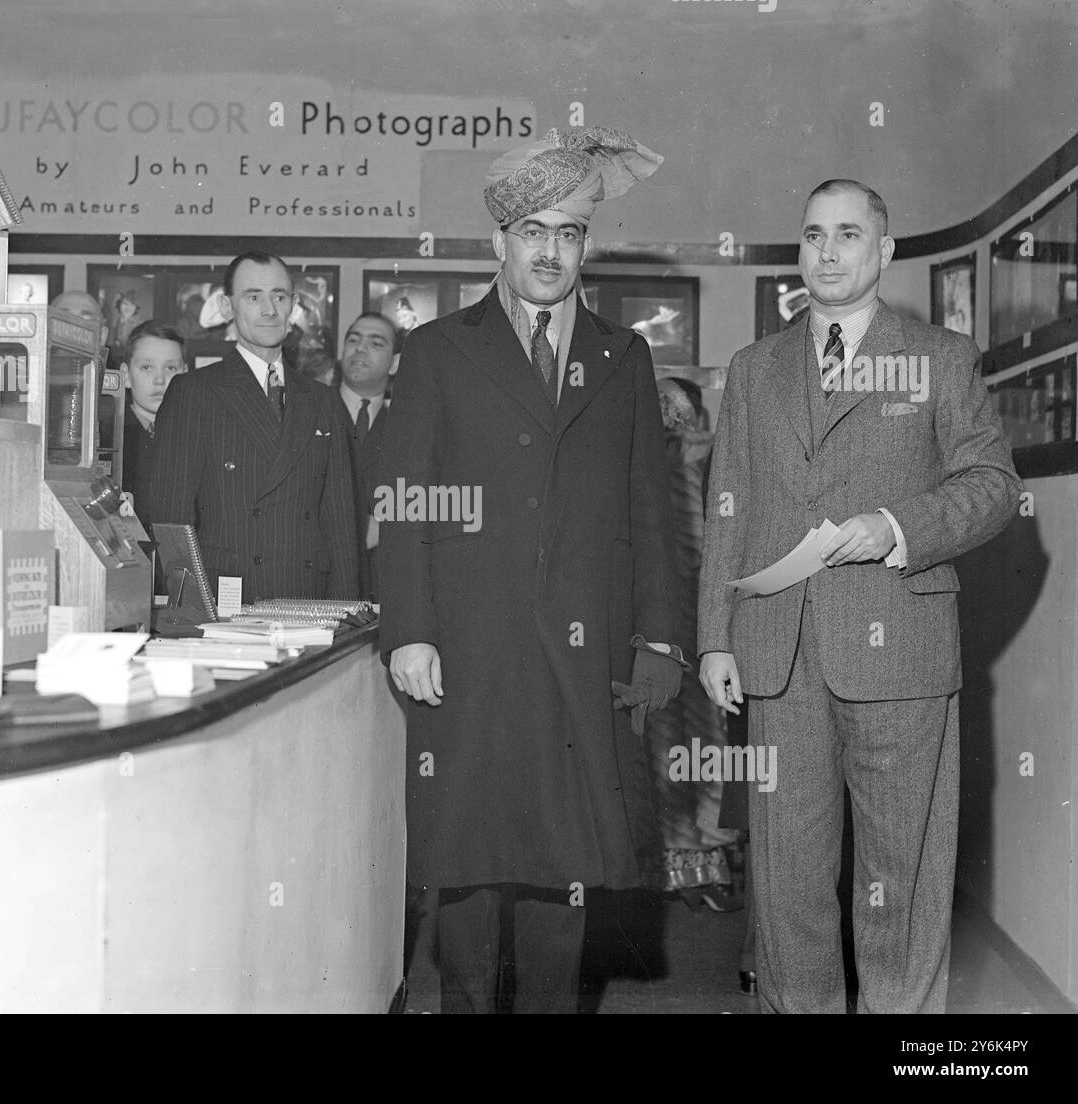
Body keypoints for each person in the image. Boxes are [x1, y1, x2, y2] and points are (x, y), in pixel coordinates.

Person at [697, 179, 1021, 1014]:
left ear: (884, 251)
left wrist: (899, 524)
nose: (828, 251)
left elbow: (991, 485)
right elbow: (726, 507)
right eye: (813, 235)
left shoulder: (942, 358)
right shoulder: (754, 367)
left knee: (901, 884)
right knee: (787, 887)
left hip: (901, 657)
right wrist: (714, 639)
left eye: (848, 234)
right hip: (779, 656)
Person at [379, 125, 683, 1013]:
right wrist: (410, 630)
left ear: (585, 244)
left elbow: (648, 512)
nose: (552, 252)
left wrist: (659, 640)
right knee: (469, 869)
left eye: (569, 234)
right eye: (534, 232)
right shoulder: (438, 351)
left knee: (564, 869)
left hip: (579, 659)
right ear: (500, 241)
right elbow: (403, 501)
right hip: (469, 651)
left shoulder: (622, 358)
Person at [146, 252, 359, 603]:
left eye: (279, 296)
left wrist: (345, 616)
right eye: (253, 296)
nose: (269, 309)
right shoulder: (195, 392)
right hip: (227, 601)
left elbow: (340, 525)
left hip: (308, 603)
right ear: (229, 308)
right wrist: (189, 612)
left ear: (292, 304)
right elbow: (172, 522)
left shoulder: (322, 401)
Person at [647, 378, 742, 910]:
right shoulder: (710, 458)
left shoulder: (644, 458)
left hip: (671, 627)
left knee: (672, 743)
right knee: (705, 741)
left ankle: (685, 861)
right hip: (699, 626)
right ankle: (702, 861)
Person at [338, 312, 396, 602]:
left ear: (395, 362)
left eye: (376, 343)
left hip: (380, 587)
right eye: (353, 340)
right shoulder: (308, 411)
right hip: (315, 585)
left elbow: (441, 498)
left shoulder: (408, 425)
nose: (360, 348)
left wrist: (390, 525)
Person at [120, 320, 185, 527]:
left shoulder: (199, 437)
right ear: (126, 375)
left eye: (170, 368)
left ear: (186, 374)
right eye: (147, 367)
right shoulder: (109, 437)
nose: (159, 379)